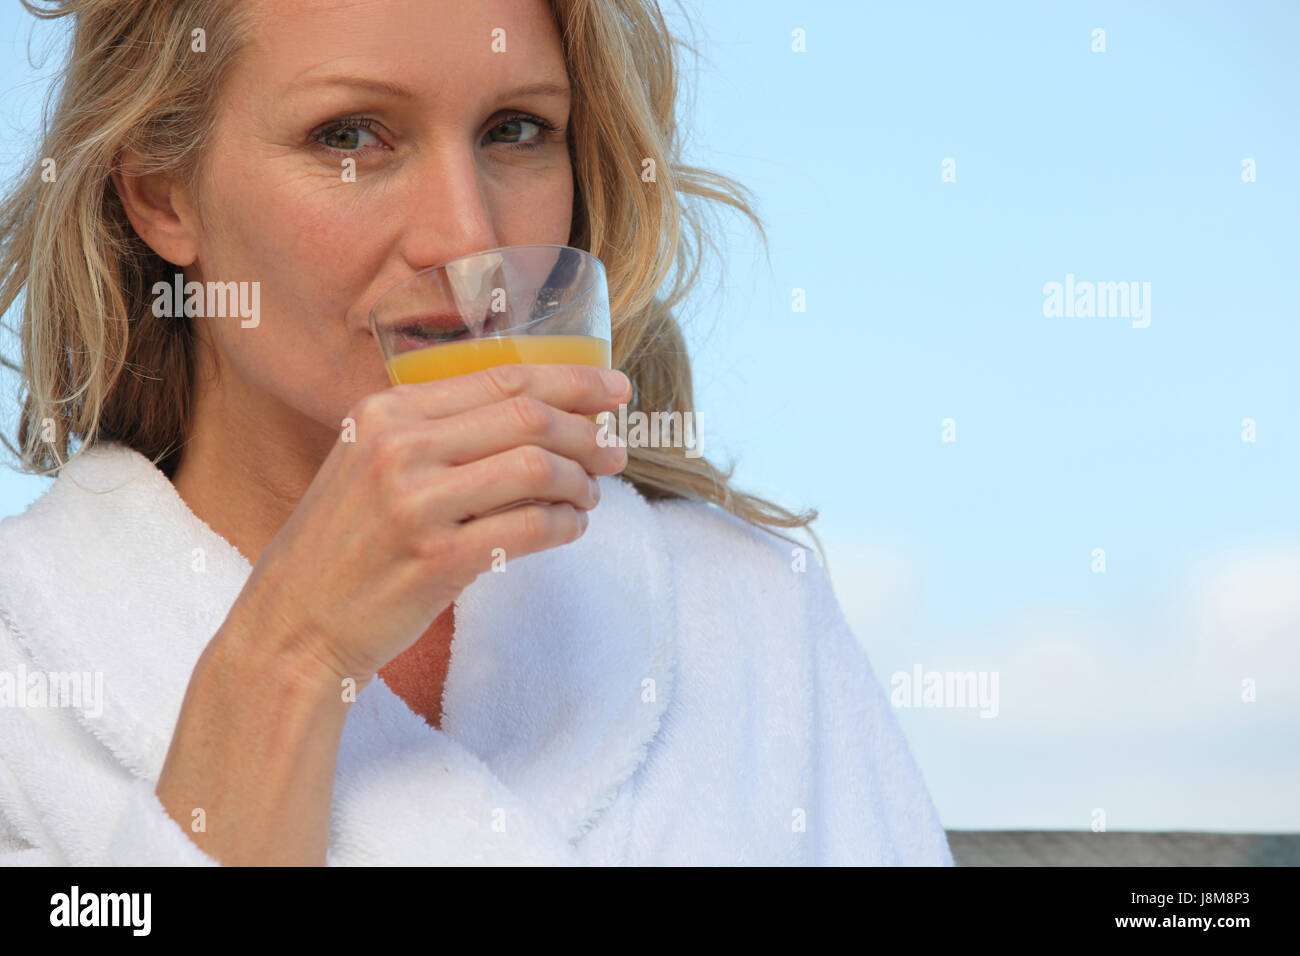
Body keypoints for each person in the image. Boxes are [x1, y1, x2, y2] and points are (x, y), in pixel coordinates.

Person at [0, 0, 953, 866]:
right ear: (162, 194)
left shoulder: (749, 617)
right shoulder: (23, 660)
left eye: (516, 131)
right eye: (351, 137)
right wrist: (289, 656)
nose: (467, 240)